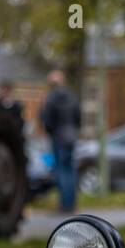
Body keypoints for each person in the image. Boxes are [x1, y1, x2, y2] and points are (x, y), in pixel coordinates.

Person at [39, 69, 81, 213]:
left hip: (58, 137)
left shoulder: (51, 98)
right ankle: (72, 202)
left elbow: (46, 118)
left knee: (61, 171)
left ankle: (64, 204)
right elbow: (78, 116)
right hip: (71, 137)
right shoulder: (72, 95)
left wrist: (51, 132)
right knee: (70, 170)